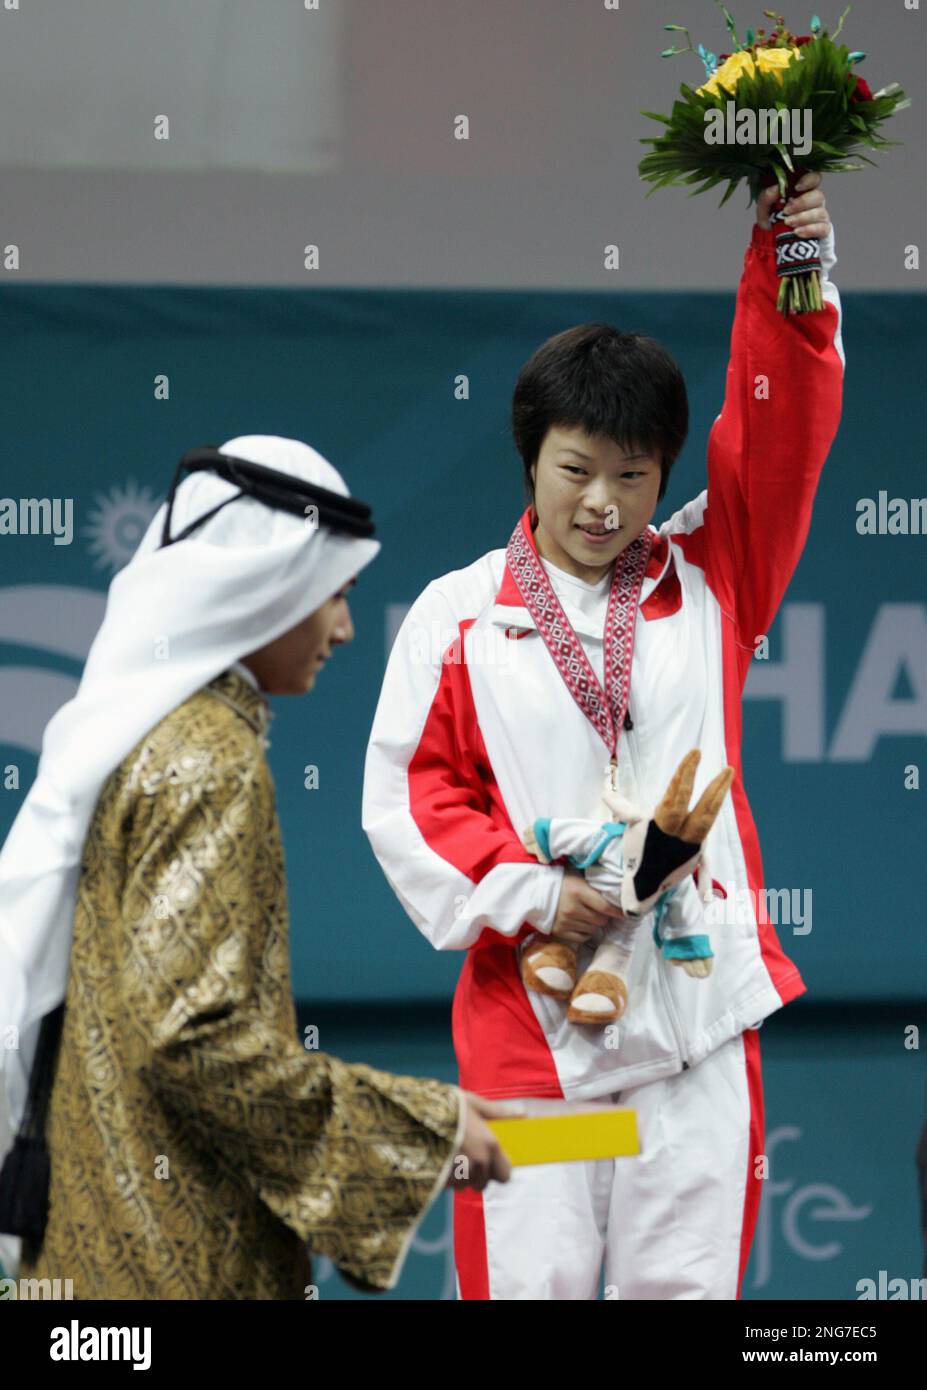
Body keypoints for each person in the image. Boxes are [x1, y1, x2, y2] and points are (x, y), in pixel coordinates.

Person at [362, 175, 844, 1299]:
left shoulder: (716, 574)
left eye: (634, 476)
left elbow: (781, 427)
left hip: (693, 1030)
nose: (603, 503)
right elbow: (411, 800)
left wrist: (796, 258)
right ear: (530, 456)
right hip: (537, 1039)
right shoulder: (460, 613)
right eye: (577, 469)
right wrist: (535, 892)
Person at [0, 435, 513, 1299]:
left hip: (90, 1262)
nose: (345, 629)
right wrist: (422, 1133)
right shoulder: (208, 757)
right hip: (181, 1264)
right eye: (334, 595)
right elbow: (196, 1041)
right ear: (263, 589)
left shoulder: (136, 740)